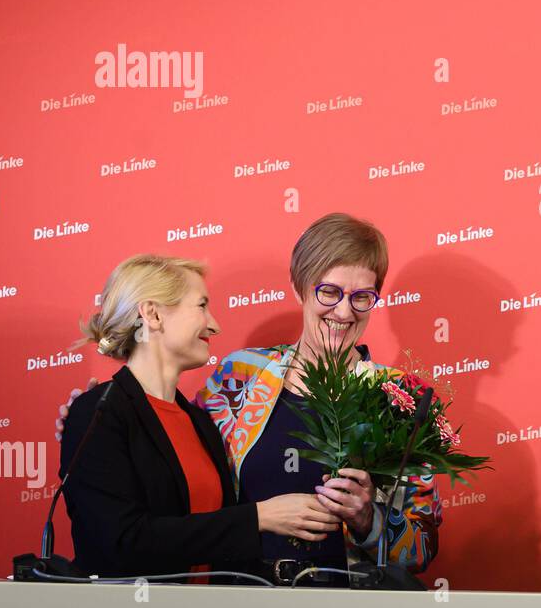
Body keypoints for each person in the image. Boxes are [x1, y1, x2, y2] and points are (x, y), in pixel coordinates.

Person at [58, 213, 441, 585]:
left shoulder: (401, 400)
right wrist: (101, 414)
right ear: (299, 287)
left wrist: (367, 519)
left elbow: (421, 549)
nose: (344, 311)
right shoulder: (238, 378)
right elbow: (166, 452)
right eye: (329, 291)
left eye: (362, 297)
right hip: (236, 607)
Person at [61, 255, 341, 580]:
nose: (214, 325)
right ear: (152, 314)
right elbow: (120, 542)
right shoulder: (96, 414)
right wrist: (257, 517)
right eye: (202, 306)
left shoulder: (200, 421)